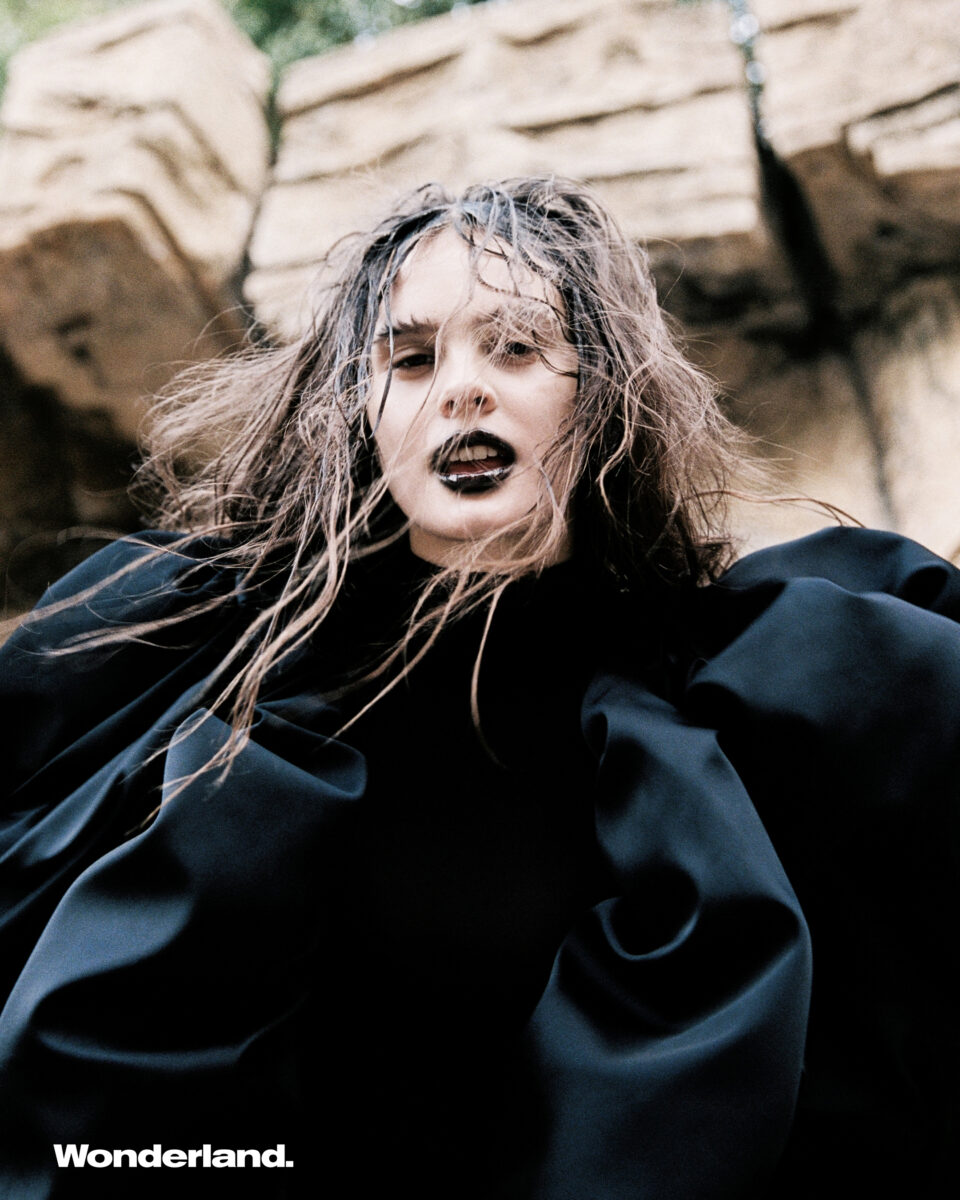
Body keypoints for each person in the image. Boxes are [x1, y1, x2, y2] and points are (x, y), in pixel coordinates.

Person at [0, 177, 956, 1200]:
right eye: (411, 359)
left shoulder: (752, 684)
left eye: (514, 348)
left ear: (599, 390)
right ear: (358, 407)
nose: (461, 390)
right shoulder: (195, 645)